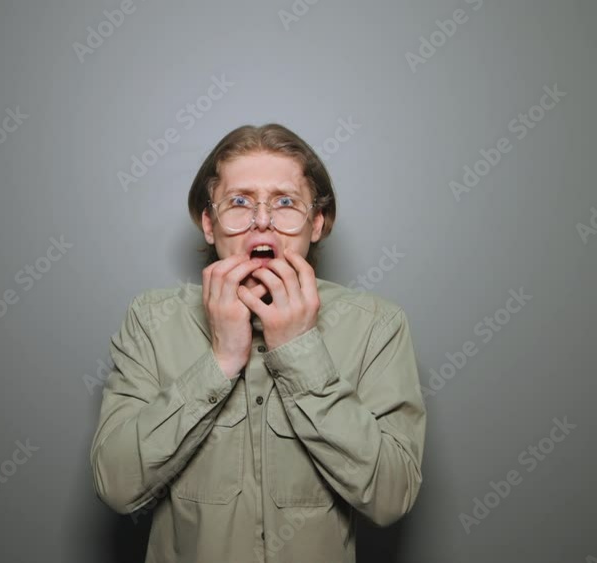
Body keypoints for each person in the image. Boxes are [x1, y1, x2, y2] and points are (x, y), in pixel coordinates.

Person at [90, 123, 426, 562]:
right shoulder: (151, 322)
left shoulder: (378, 326)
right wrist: (221, 361)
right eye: (240, 202)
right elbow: (117, 487)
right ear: (210, 224)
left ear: (318, 222)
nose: (262, 221)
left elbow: (390, 498)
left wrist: (300, 351)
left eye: (285, 202)